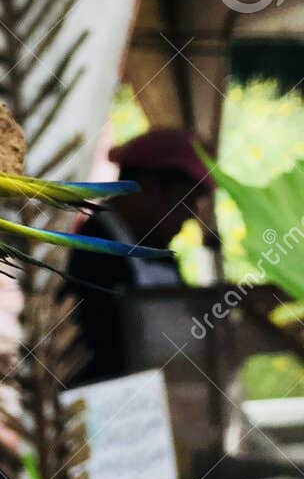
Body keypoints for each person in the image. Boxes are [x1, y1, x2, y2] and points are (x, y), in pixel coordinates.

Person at [65, 128, 214, 385]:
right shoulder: (92, 251)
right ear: (150, 188)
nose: (191, 217)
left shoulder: (160, 253)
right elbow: (105, 346)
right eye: (187, 202)